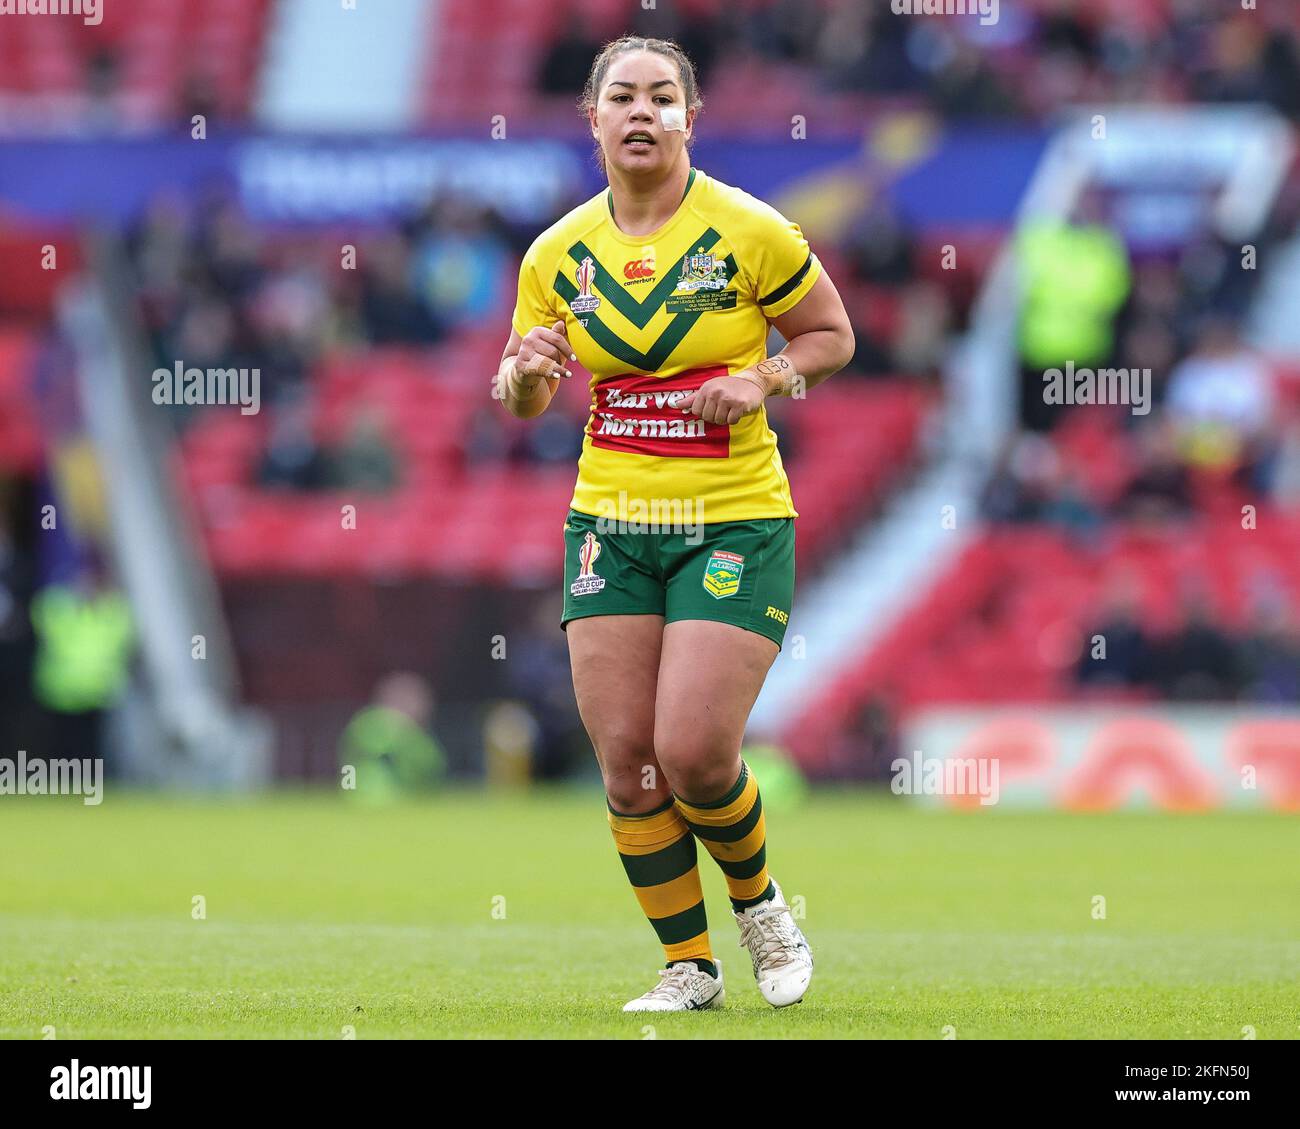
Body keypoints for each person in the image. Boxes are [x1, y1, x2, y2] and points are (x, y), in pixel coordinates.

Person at [494, 36, 854, 1012]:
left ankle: (761, 907)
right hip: (610, 526)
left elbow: (832, 334)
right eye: (623, 97)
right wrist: (525, 375)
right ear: (595, 118)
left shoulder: (749, 229)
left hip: (732, 521)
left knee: (693, 749)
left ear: (689, 117)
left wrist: (765, 376)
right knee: (627, 765)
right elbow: (522, 393)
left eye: (662, 96)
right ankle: (687, 967)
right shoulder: (555, 253)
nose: (642, 112)